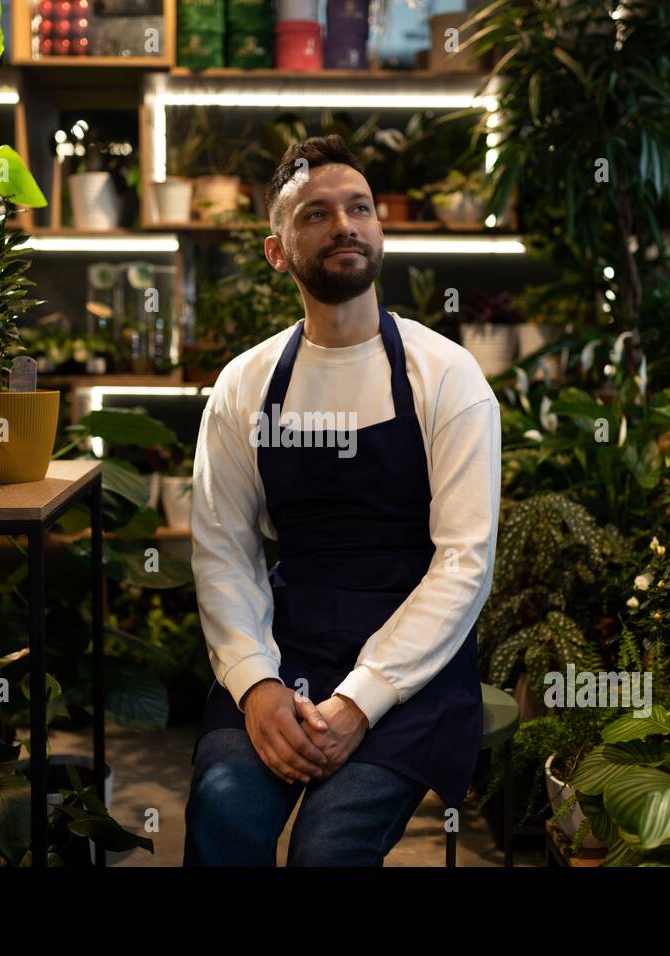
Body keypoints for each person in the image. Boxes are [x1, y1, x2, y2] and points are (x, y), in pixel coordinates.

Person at [182, 134, 501, 866]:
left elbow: (463, 564)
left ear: (379, 230)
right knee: (223, 814)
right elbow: (222, 552)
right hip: (287, 641)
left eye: (359, 208)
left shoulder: (446, 376)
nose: (344, 225)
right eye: (316, 214)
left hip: (416, 657)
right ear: (276, 252)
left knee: (328, 848)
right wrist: (256, 685)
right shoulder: (245, 385)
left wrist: (361, 698)